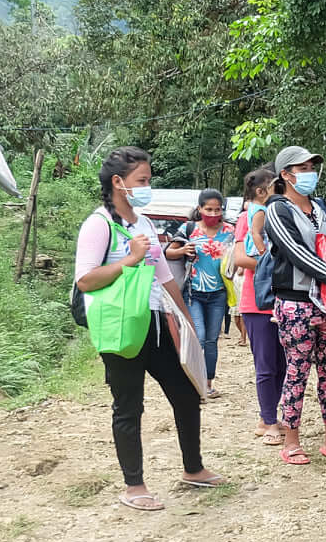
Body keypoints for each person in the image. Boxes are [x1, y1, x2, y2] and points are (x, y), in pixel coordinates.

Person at [74, 147, 225, 511]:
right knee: (129, 405)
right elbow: (85, 280)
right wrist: (129, 259)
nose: (147, 187)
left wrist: (187, 322)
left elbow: (164, 277)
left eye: (148, 180)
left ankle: (193, 468)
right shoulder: (98, 224)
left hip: (155, 322)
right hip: (120, 326)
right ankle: (134, 485)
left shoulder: (143, 223)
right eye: (141, 180)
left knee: (186, 393)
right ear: (118, 182)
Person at [259, 145, 326, 465]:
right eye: (302, 168)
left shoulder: (323, 207)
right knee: (297, 371)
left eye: (312, 167)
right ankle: (291, 441)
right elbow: (297, 254)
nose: (310, 173)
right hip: (296, 303)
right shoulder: (277, 210)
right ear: (285, 174)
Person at [232, 168, 284, 440]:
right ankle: (269, 420)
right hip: (256, 303)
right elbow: (241, 258)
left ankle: (268, 417)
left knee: (283, 365)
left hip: (281, 302)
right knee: (266, 366)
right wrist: (278, 267)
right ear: (262, 191)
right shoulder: (247, 217)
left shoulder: (277, 214)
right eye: (276, 186)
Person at [168, 189, 231, 398]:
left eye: (217, 210)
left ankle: (207, 384)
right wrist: (182, 251)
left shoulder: (230, 231)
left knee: (212, 340)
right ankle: (192, 381)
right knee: (199, 337)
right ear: (200, 209)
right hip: (193, 292)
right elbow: (168, 252)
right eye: (208, 209)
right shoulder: (189, 229)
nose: (213, 214)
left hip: (219, 293)